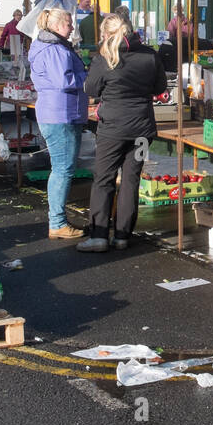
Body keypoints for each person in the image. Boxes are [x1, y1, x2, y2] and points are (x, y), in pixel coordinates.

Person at [80, 14, 168, 252]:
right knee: (131, 180)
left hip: (112, 130)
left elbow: (91, 89)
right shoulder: (150, 55)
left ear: (107, 34)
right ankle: (122, 236)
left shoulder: (104, 58)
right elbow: (160, 88)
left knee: (104, 178)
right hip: (142, 129)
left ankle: (99, 235)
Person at [29, 8, 88, 239]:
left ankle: (58, 220)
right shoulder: (55, 50)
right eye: (68, 23)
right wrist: (88, 76)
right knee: (63, 169)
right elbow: (64, 80)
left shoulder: (45, 46)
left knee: (61, 168)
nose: (72, 27)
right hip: (60, 114)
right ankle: (57, 223)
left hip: (56, 112)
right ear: (56, 26)